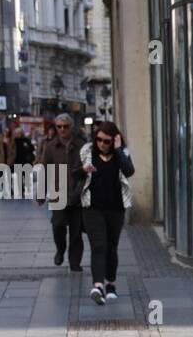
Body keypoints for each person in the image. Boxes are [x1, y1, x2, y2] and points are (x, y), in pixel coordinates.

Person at [80, 121, 134, 304]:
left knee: (111, 247)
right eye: (99, 140)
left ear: (115, 140)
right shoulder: (87, 151)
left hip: (115, 209)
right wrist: (83, 170)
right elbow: (74, 174)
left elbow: (129, 171)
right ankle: (98, 286)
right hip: (92, 208)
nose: (102, 144)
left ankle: (111, 284)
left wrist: (118, 150)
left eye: (107, 141)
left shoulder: (122, 153)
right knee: (98, 246)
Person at [38, 113, 85, 270]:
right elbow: (44, 170)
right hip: (58, 193)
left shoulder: (82, 145)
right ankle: (60, 249)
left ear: (71, 127)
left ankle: (75, 262)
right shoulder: (51, 147)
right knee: (58, 225)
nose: (62, 129)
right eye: (59, 126)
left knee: (76, 231)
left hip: (77, 194)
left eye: (65, 126)